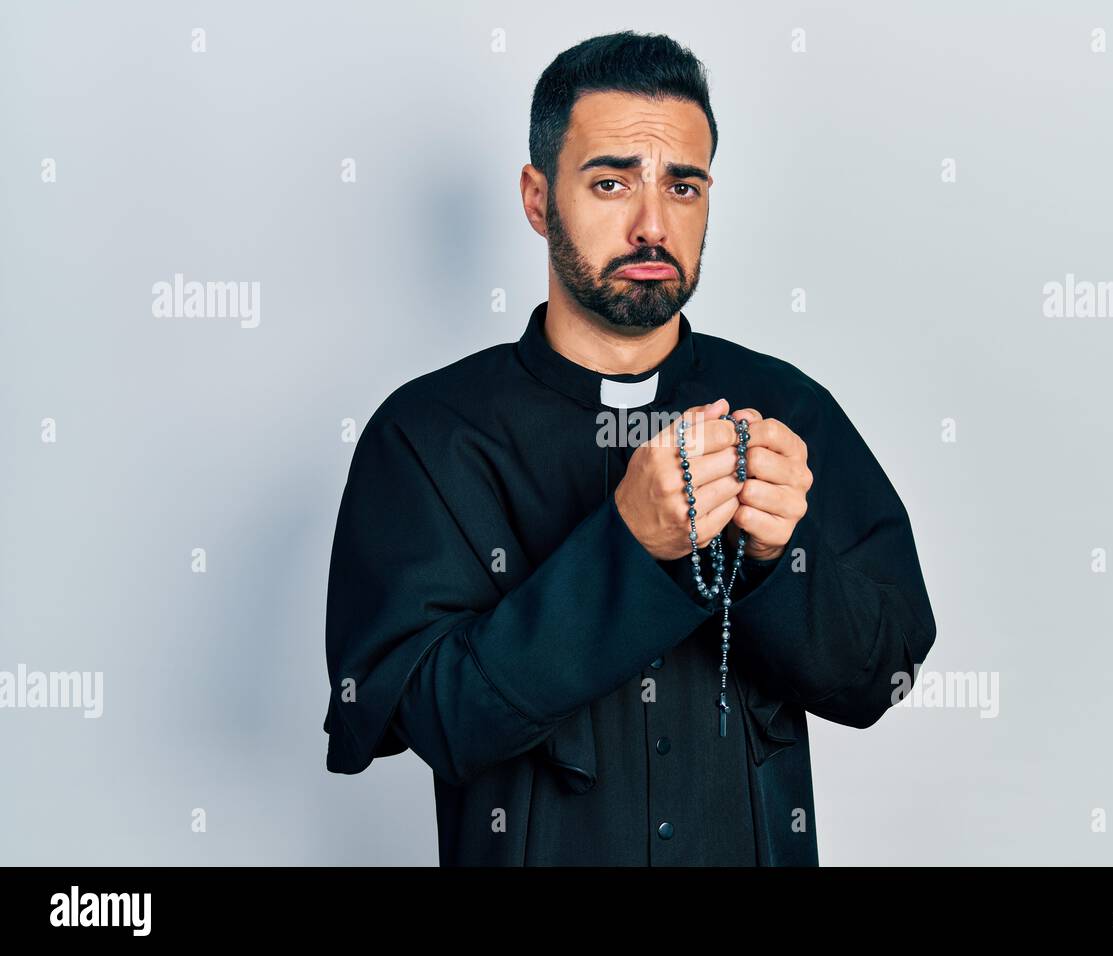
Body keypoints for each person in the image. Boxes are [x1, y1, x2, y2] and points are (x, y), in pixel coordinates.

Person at [322, 30, 937, 866]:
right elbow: (437, 720)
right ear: (538, 200)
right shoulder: (427, 436)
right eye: (611, 181)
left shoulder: (790, 409)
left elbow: (881, 678)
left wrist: (775, 563)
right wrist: (628, 548)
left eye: (682, 186)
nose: (653, 225)